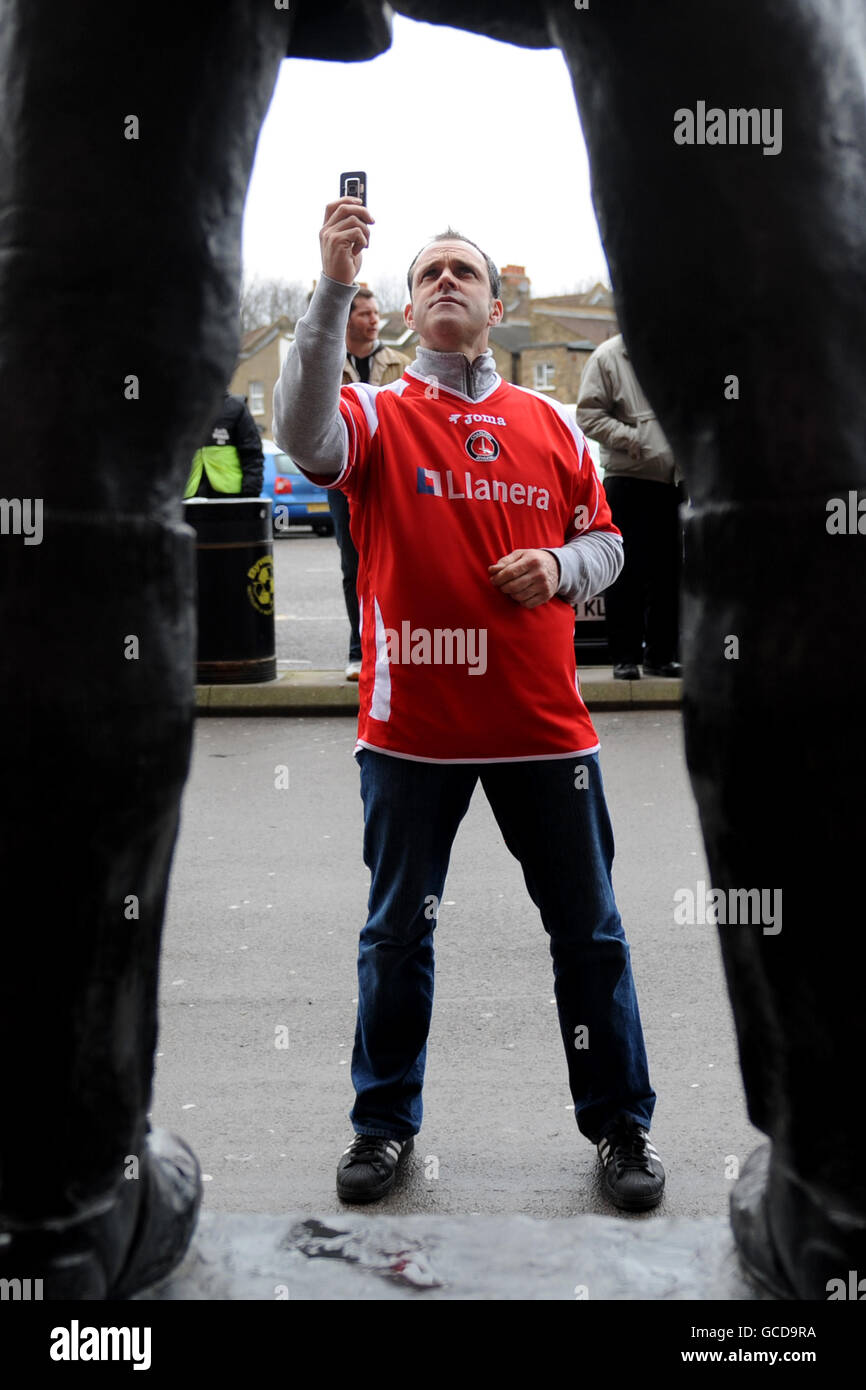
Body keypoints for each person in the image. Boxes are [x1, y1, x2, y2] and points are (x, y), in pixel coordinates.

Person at [272, 196, 665, 1214]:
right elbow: (302, 431)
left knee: (591, 936)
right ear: (404, 307)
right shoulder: (374, 412)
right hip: (413, 737)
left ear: (495, 305)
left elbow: (611, 544)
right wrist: (326, 283)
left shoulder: (548, 424)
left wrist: (561, 561)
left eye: (464, 271)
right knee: (395, 937)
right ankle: (381, 1126)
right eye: (428, 272)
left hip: (545, 733)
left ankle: (621, 1127)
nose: (446, 280)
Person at [577, 334, 682, 680]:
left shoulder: (674, 354)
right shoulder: (608, 356)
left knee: (669, 575)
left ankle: (660, 656)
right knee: (627, 574)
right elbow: (588, 415)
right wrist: (637, 440)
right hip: (628, 480)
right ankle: (624, 657)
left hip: (673, 483)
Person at [333, 287, 410, 679]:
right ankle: (357, 649)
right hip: (345, 475)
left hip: (391, 472)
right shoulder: (329, 364)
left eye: (376, 312)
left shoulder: (400, 362)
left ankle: (398, 647)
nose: (374, 320)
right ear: (347, 319)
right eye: (364, 313)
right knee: (353, 563)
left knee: (397, 560)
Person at [184, 391, 264, 499]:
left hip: (230, 497)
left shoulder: (236, 408)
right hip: (187, 497)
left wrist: (249, 496)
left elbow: (252, 455)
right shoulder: (181, 408)